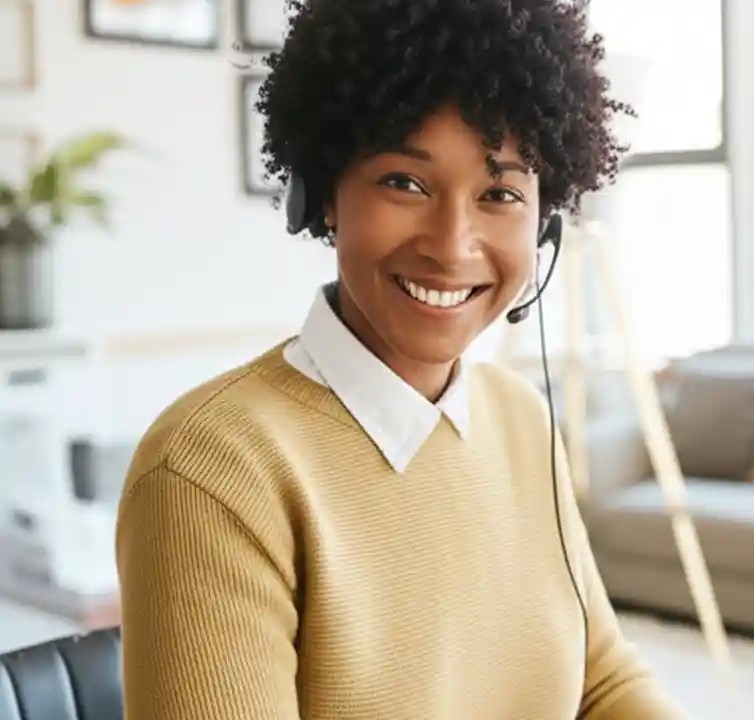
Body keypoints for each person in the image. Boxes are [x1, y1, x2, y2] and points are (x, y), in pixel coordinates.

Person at [114, 1, 686, 717]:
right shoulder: (209, 468)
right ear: (324, 194)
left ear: (542, 225)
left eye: (500, 193)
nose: (451, 245)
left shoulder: (520, 417)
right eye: (404, 184)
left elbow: (603, 681)